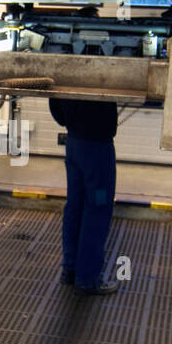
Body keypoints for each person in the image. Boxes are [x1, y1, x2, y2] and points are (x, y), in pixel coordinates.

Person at [48, 95, 119, 295]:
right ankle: (87, 278)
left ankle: (69, 269)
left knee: (75, 206)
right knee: (97, 209)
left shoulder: (65, 66)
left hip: (74, 144)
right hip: (97, 149)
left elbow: (56, 108)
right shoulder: (105, 67)